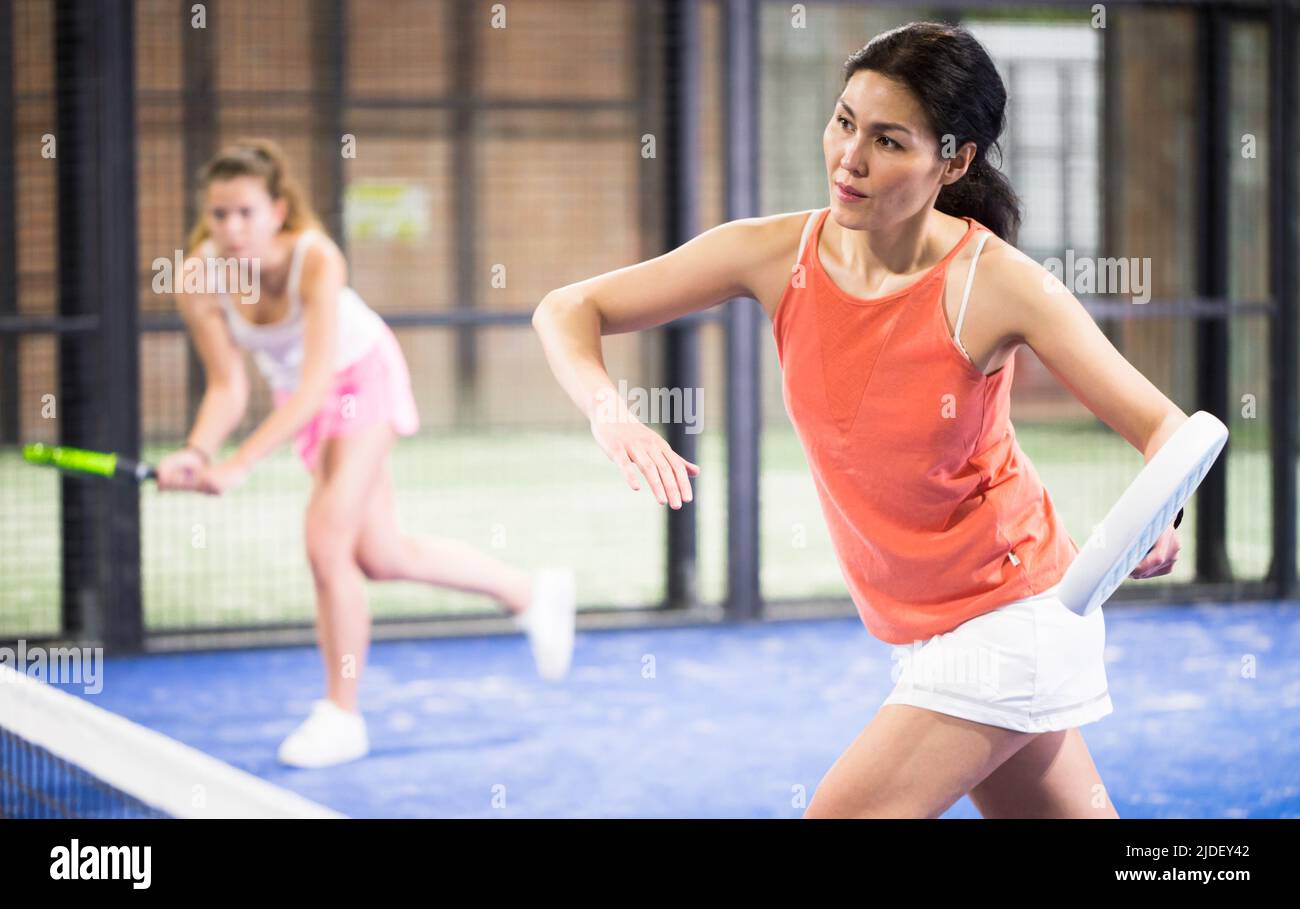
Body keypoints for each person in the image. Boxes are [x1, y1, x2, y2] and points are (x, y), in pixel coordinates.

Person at [532, 22, 1185, 818]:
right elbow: (571, 307)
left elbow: (1167, 428)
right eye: (845, 122)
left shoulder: (1000, 285)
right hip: (928, 631)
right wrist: (614, 415)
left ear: (954, 161)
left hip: (1012, 619)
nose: (850, 158)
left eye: (888, 140)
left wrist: (1163, 509)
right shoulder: (776, 253)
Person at [157, 138, 576, 769]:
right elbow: (228, 385)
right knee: (379, 556)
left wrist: (240, 464)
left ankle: (342, 716)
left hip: (359, 379)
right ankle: (529, 592)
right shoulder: (198, 276)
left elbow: (321, 381)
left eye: (245, 211)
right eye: (218, 214)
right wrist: (198, 450)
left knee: (326, 542)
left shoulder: (317, 259)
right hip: (302, 394)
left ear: (278, 210)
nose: (231, 228)